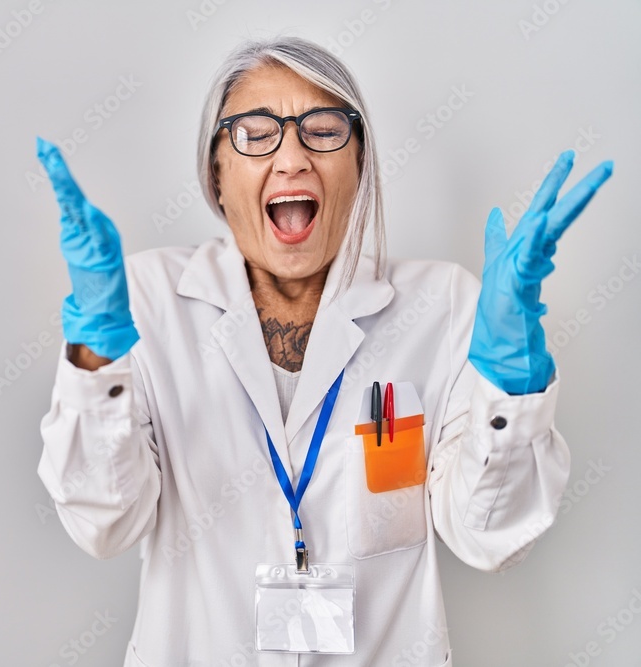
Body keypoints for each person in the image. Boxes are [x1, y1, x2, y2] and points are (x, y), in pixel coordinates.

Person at [36, 35, 613, 666]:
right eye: (256, 133)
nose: (292, 159)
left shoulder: (442, 308)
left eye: (323, 130)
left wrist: (512, 381)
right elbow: (103, 522)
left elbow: (490, 536)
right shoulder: (146, 304)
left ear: (359, 168)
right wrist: (96, 359)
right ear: (217, 176)